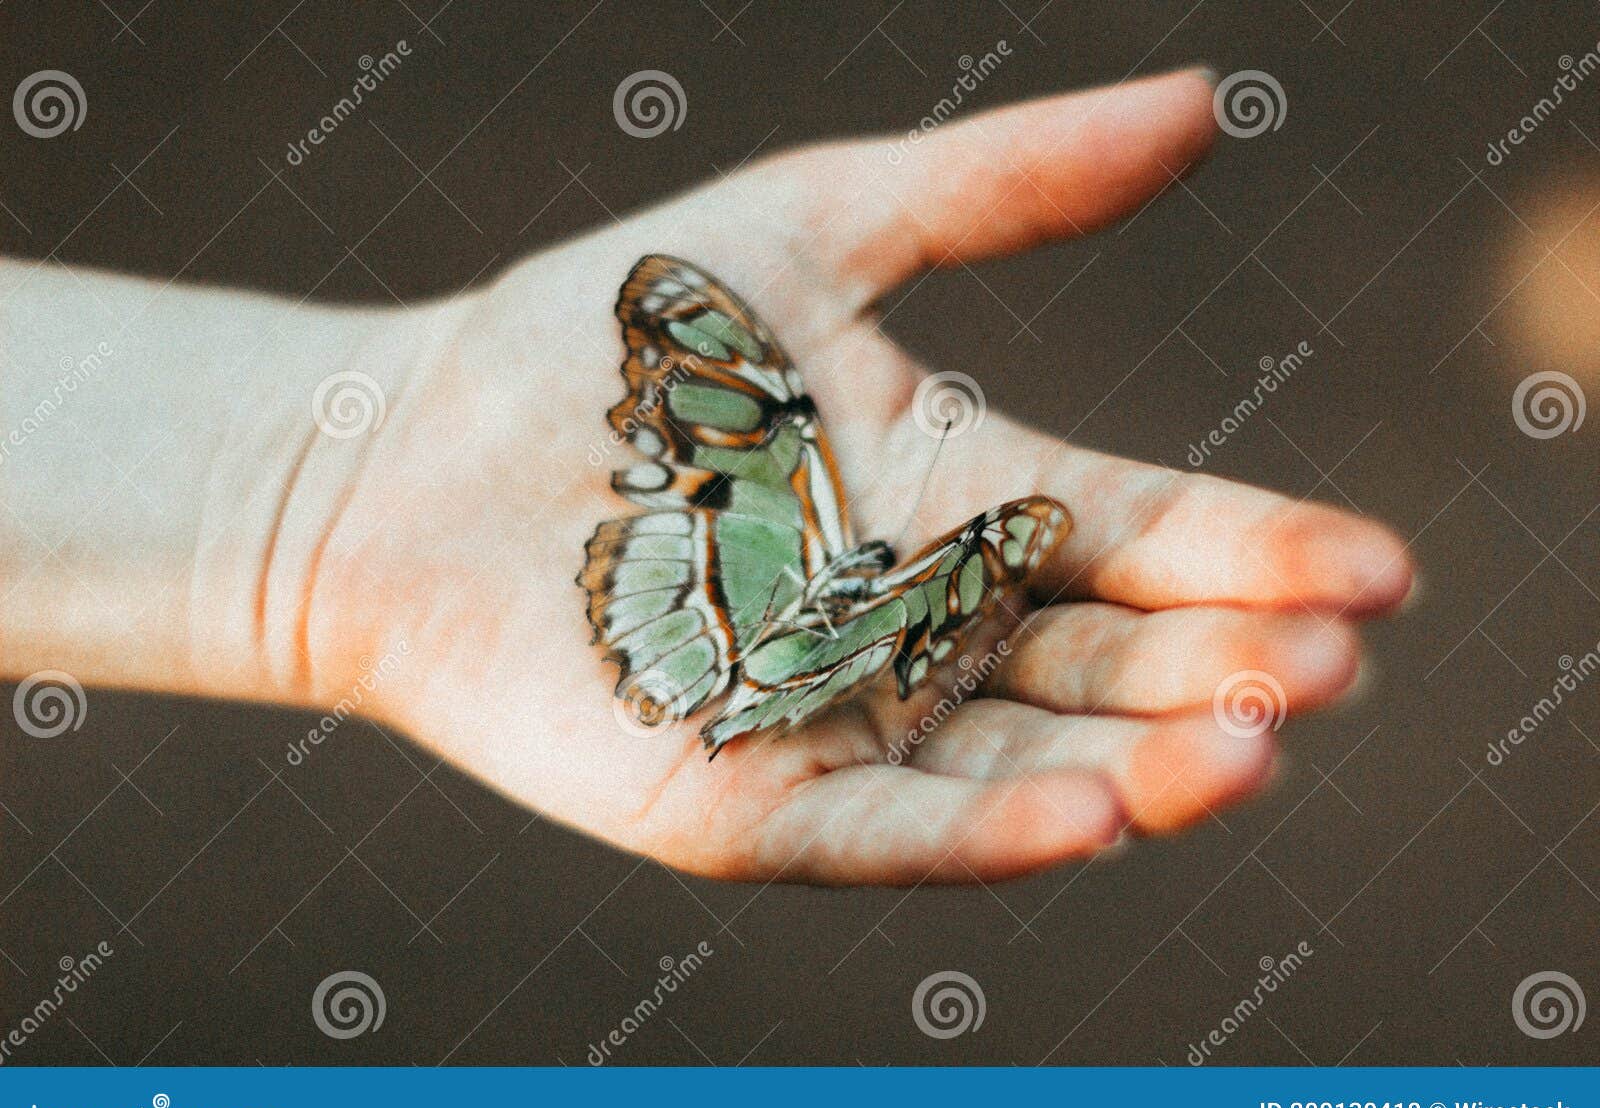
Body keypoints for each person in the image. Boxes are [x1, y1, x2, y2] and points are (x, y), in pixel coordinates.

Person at [0, 67, 1412, 885]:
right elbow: (939, 572)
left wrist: (322, 490)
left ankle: (754, 672)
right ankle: (776, 677)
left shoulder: (815, 521)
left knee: (774, 542)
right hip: (809, 647)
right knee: (824, 559)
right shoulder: (855, 539)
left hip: (726, 616)